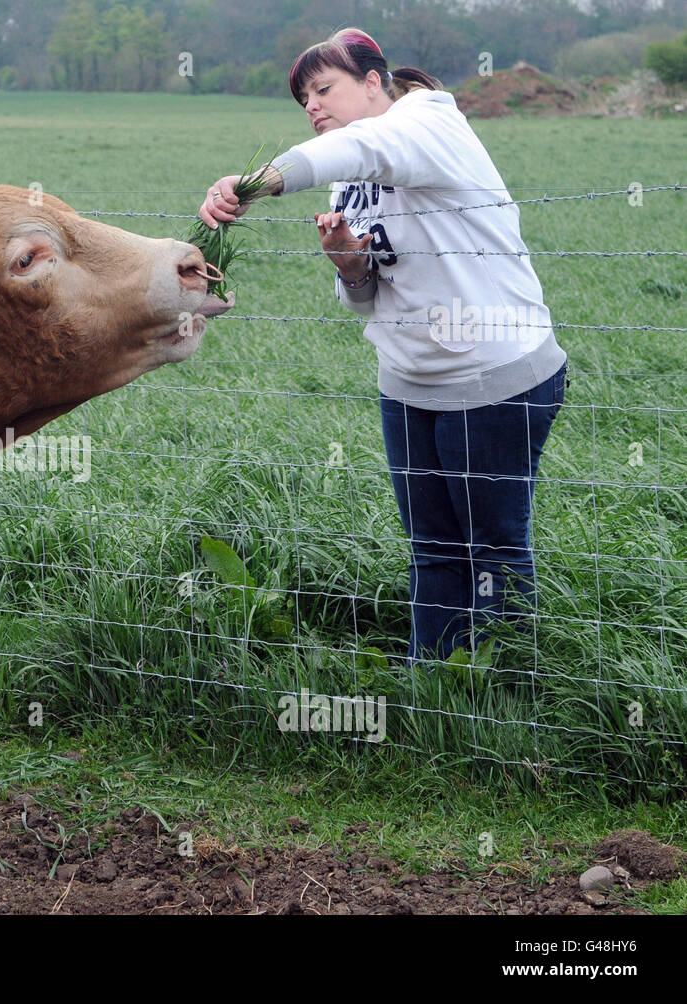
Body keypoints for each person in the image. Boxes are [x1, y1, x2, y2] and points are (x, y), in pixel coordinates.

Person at [199, 27, 568, 669]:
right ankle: (436, 683)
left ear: (375, 82)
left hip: (494, 377)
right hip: (408, 382)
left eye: (324, 88)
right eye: (303, 99)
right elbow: (368, 295)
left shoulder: (428, 123)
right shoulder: (353, 176)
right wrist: (349, 264)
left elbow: (363, 145)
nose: (312, 106)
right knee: (432, 547)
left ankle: (507, 696)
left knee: (494, 549)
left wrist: (253, 184)